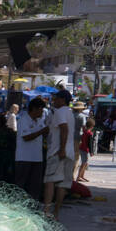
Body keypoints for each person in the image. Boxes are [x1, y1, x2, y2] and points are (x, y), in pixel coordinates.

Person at [42, 88, 75, 220]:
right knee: (62, 184)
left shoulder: (60, 112)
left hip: (57, 152)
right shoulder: (69, 112)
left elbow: (64, 129)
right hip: (69, 153)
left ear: (62, 100)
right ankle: (56, 213)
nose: (54, 100)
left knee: (50, 181)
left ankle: (46, 212)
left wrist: (61, 149)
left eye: (56, 98)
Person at [14, 97, 48, 203]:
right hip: (24, 157)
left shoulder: (40, 120)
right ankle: (18, 205)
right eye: (41, 110)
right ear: (34, 109)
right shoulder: (24, 119)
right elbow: (26, 137)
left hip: (37, 158)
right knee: (21, 184)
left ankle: (33, 206)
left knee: (35, 185)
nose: (42, 112)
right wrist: (42, 131)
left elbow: (44, 134)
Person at [74, 116, 95, 182]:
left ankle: (81, 176)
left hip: (81, 148)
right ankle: (79, 176)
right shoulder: (89, 133)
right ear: (92, 126)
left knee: (85, 163)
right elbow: (90, 143)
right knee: (84, 163)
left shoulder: (84, 131)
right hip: (85, 149)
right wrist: (91, 152)